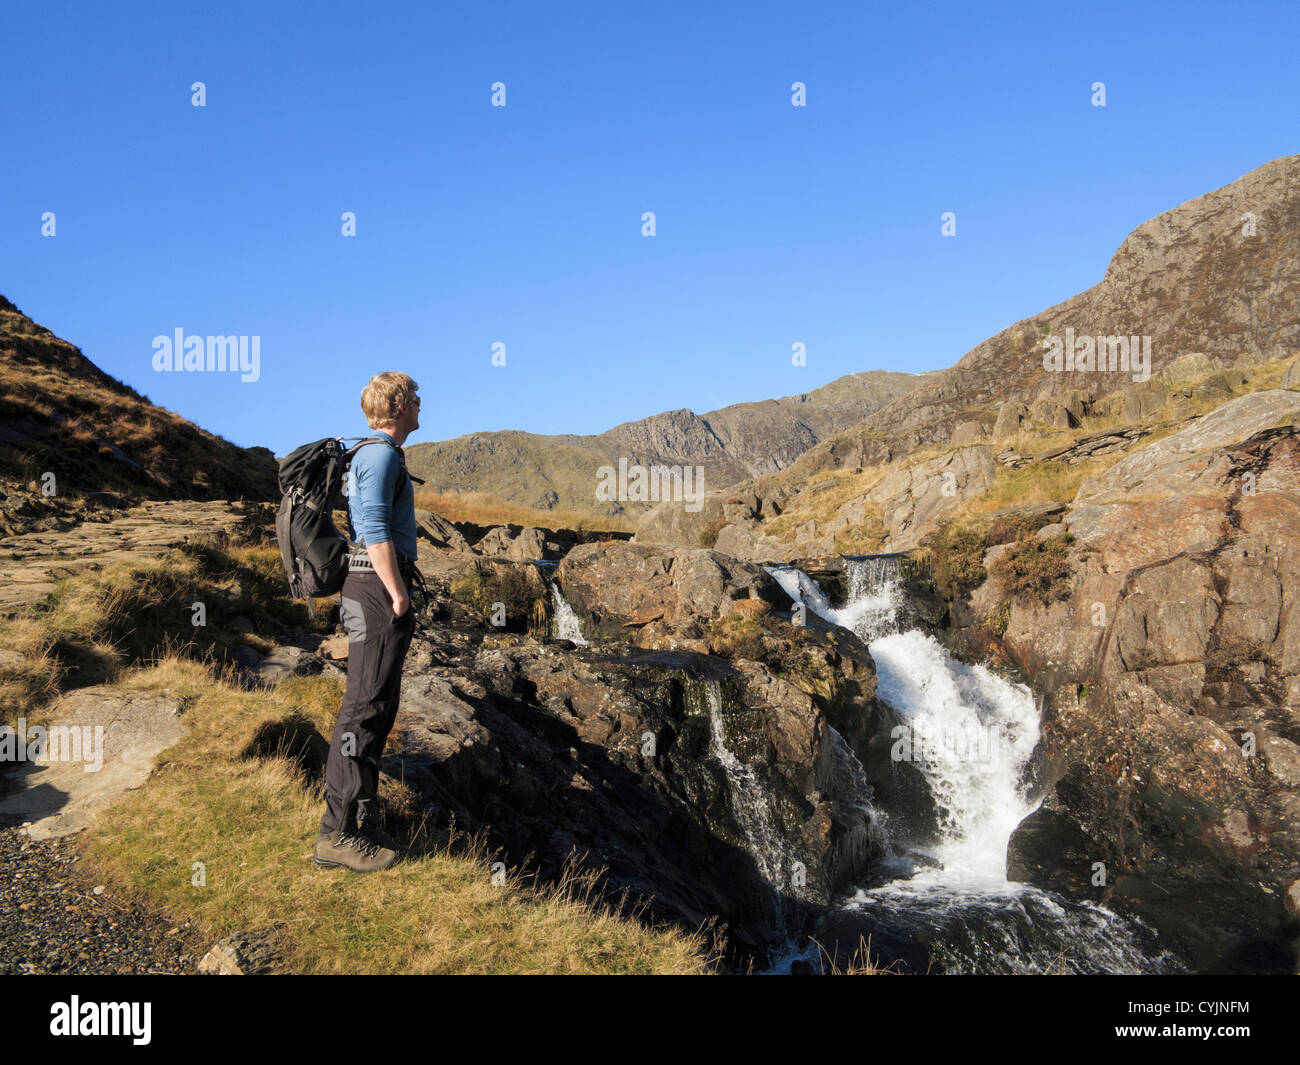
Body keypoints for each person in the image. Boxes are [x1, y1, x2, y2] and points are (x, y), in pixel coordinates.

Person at [314, 372, 421, 873]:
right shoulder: (378, 456)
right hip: (375, 590)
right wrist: (399, 594)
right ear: (399, 406)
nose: (421, 405)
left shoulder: (375, 454)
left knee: (377, 704)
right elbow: (375, 531)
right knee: (363, 707)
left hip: (368, 588)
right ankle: (336, 835)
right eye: (415, 399)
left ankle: (363, 819)